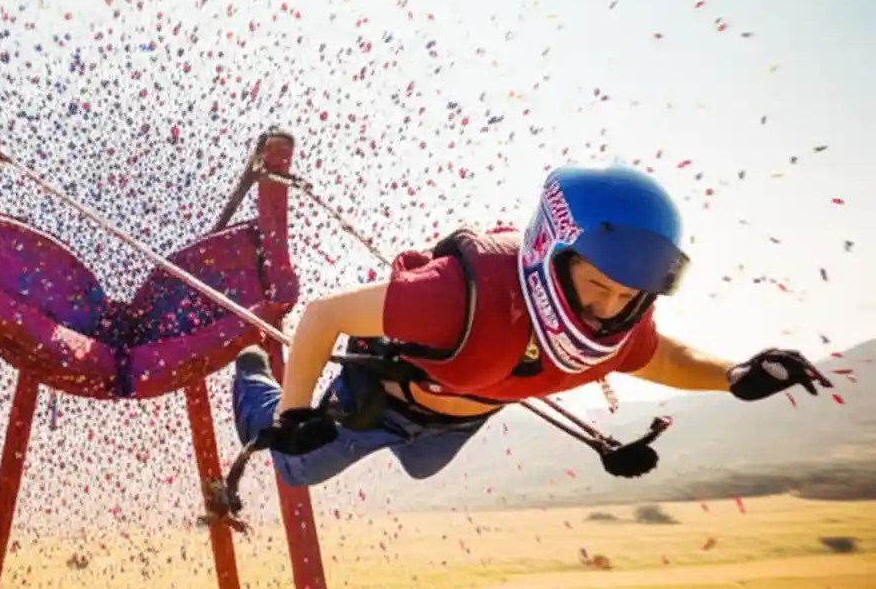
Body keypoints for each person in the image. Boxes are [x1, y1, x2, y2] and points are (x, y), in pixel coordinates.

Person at [231, 165, 832, 487]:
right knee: (296, 468)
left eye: (627, 296)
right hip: (384, 404)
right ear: (552, 252)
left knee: (421, 467)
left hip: (458, 421)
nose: (605, 308)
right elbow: (324, 315)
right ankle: (253, 382)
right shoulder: (455, 298)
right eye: (596, 285)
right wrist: (294, 413)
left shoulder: (617, 329)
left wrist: (734, 376)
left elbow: (663, 358)